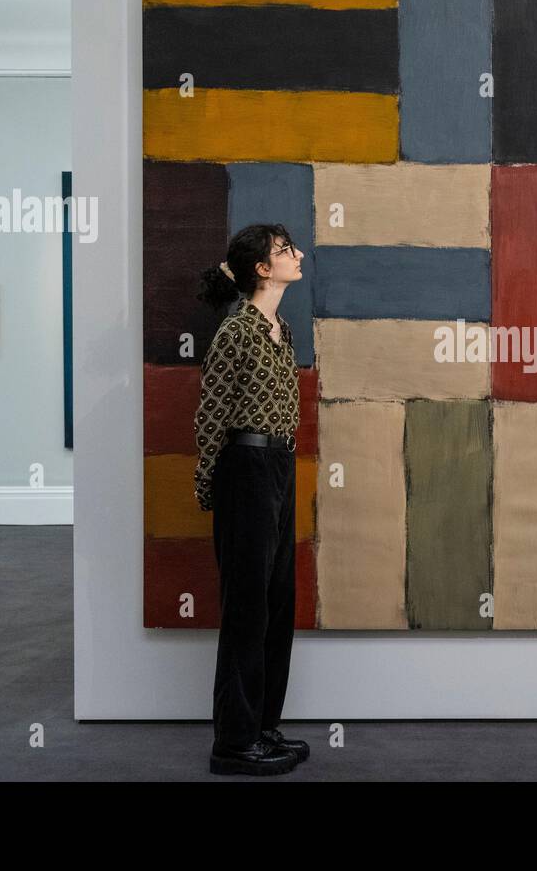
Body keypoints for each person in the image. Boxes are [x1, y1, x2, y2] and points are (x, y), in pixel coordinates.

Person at [194, 223, 309, 776]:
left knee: (277, 599)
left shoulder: (279, 329)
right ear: (263, 268)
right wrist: (207, 483)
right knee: (246, 606)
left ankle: (262, 726)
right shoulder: (237, 330)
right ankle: (234, 744)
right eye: (287, 251)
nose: (298, 255)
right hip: (246, 468)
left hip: (278, 466)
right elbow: (211, 413)